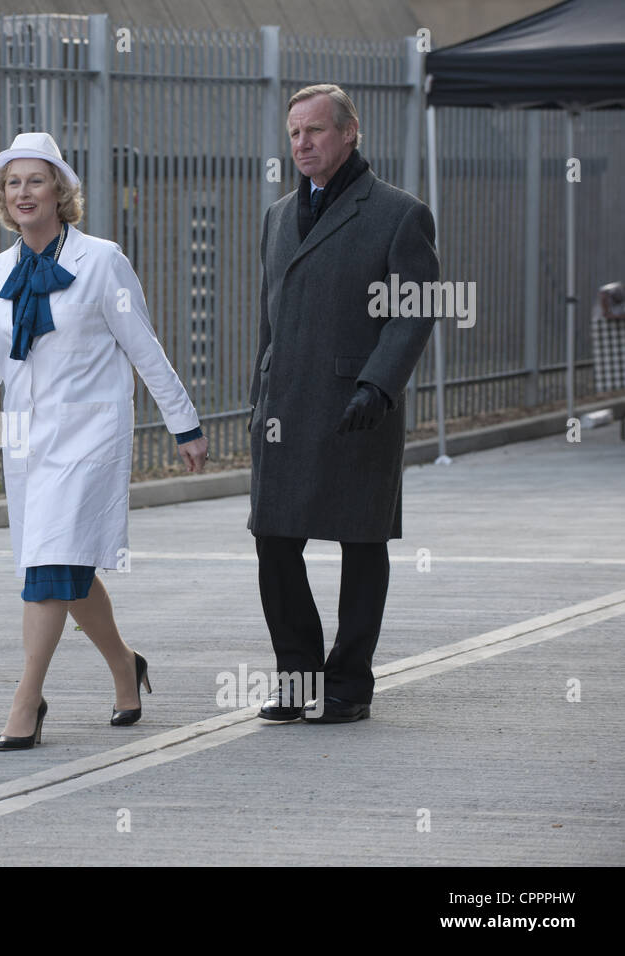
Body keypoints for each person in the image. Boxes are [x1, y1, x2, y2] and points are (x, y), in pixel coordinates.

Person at [0, 132, 209, 750]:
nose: (23, 192)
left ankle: (25, 701)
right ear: (1, 197)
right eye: (12, 183)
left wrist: (184, 424)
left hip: (88, 437)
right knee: (69, 573)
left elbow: (145, 347)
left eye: (36, 180)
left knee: (47, 568)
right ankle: (124, 665)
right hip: (29, 441)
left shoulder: (102, 260)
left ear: (60, 190)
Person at [250, 84, 439, 724]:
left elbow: (413, 313)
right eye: (295, 132)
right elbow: (269, 322)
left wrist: (378, 385)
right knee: (274, 542)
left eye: (317, 131)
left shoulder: (398, 213)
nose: (303, 144)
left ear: (351, 132)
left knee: (361, 543)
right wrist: (258, 398)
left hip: (357, 405)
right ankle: (299, 679)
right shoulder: (277, 215)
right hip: (283, 412)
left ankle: (349, 684)